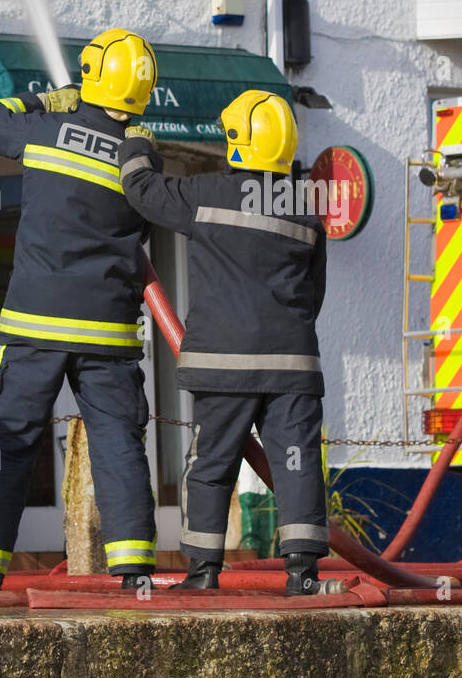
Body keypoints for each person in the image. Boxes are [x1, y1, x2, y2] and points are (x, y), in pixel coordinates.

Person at [0, 29, 159, 592]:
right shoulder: (141, 158)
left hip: (33, 324)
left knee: (8, 440)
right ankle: (134, 572)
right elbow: (147, 223)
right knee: (117, 443)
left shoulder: (45, 129)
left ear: (89, 76)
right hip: (108, 330)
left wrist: (42, 99)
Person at [118, 89, 331, 595]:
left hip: (223, 365)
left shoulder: (207, 192)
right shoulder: (306, 209)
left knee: (211, 463)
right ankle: (303, 575)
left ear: (237, 140)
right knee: (297, 461)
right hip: (292, 365)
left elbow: (142, 191)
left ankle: (203, 573)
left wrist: (136, 145)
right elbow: (314, 295)